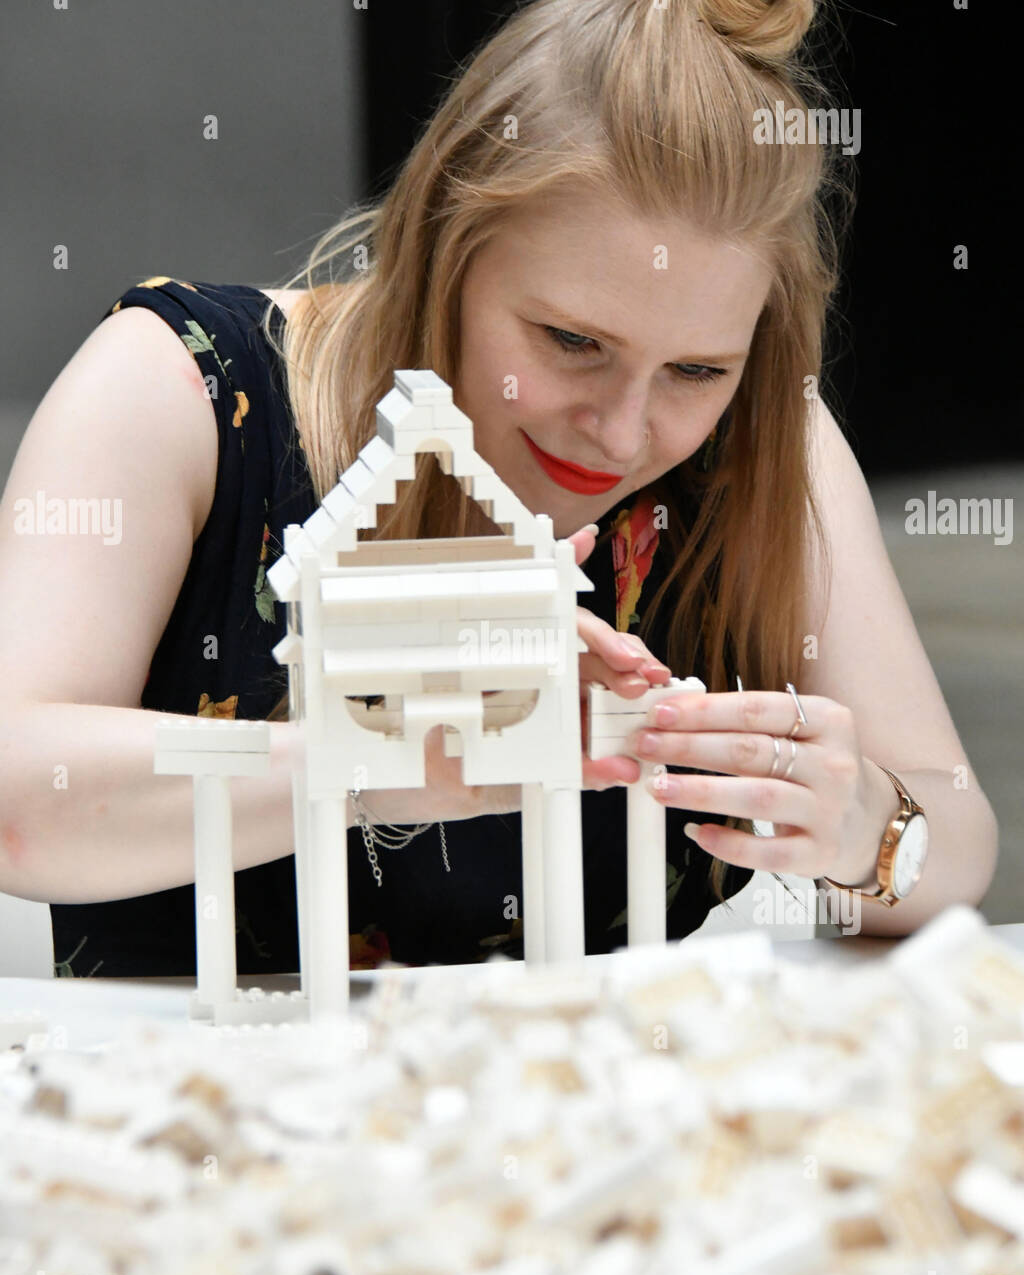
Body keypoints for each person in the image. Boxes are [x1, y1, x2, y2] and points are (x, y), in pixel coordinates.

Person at [0, 0, 997, 977]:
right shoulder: (177, 389)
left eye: (696, 371)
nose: (620, 430)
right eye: (571, 343)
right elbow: (19, 794)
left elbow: (954, 834)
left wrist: (863, 821)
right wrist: (376, 760)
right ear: (442, 253)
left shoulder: (764, 440)